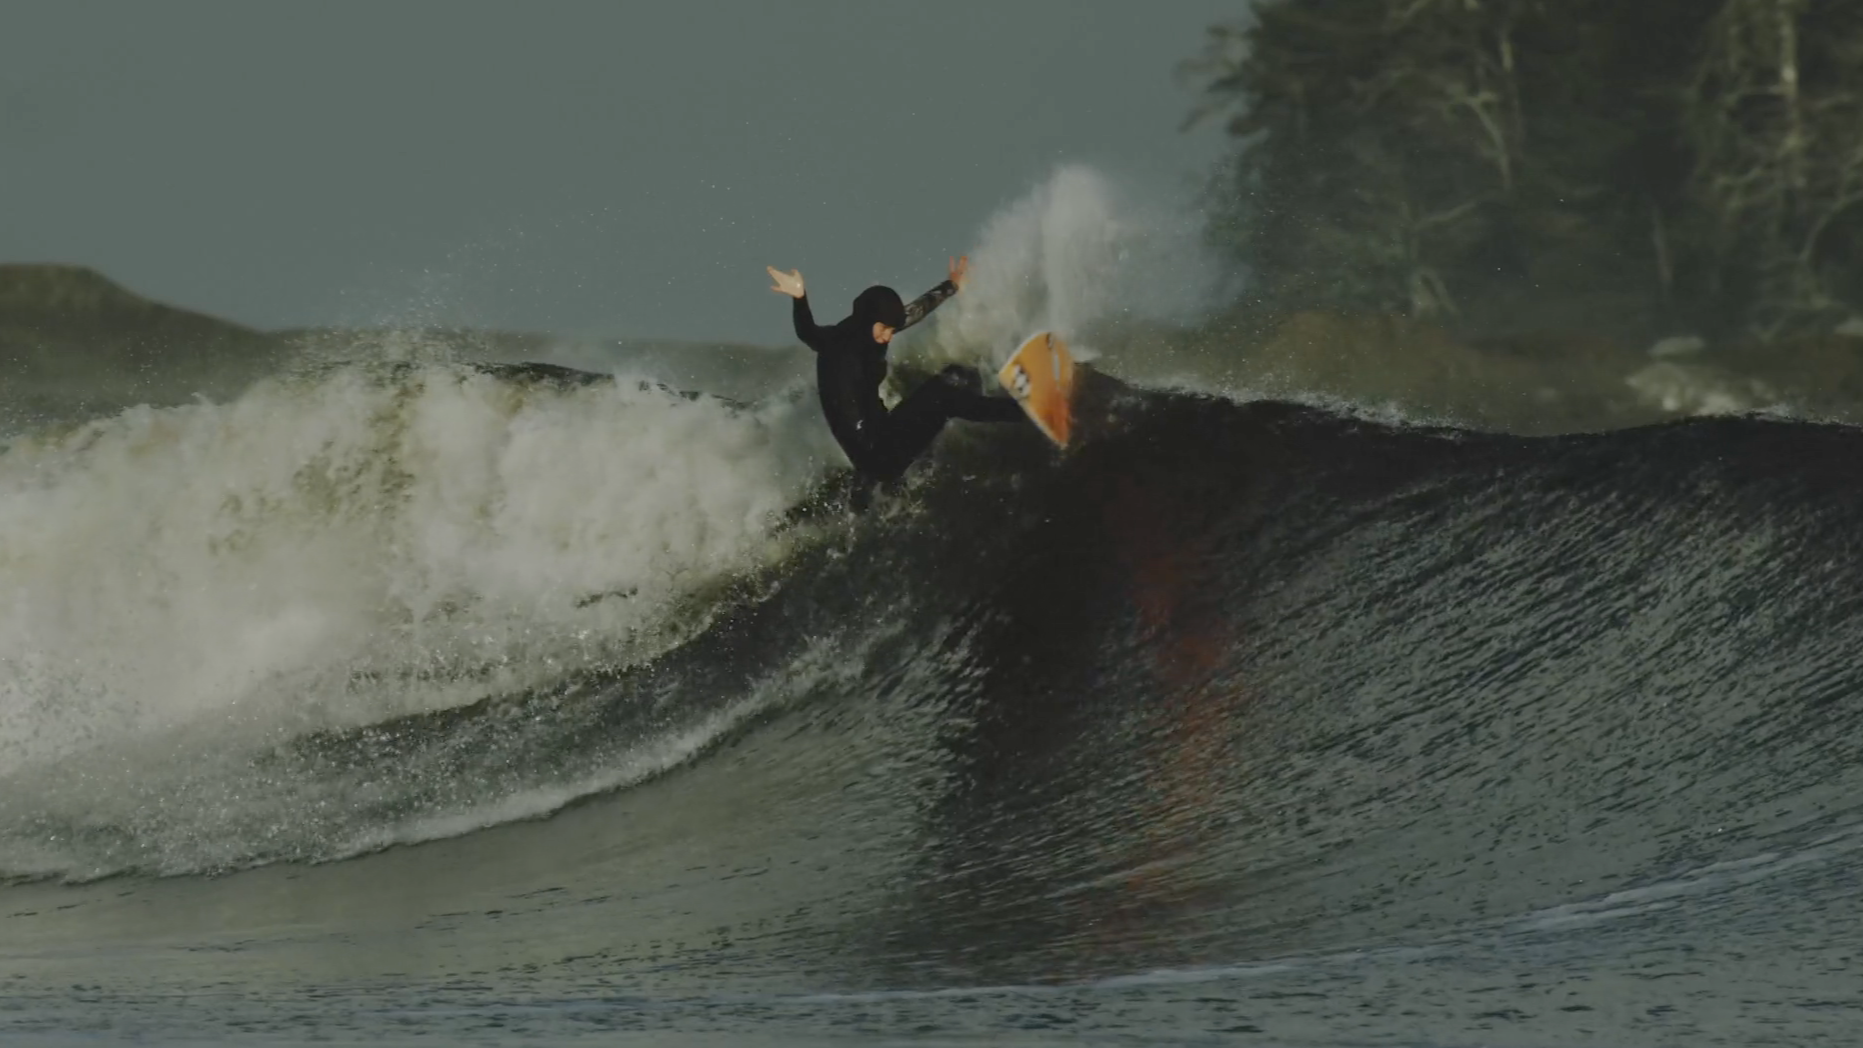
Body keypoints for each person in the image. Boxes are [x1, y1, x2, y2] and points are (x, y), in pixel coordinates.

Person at [767, 256, 1025, 487]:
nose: (888, 336)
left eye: (892, 329)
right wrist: (799, 297)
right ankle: (1023, 411)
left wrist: (950, 286)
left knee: (956, 374)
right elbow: (807, 332)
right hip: (875, 456)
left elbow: (914, 313)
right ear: (868, 319)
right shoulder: (838, 342)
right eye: (884, 328)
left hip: (883, 431)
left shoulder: (876, 330)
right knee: (944, 397)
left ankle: (991, 403)